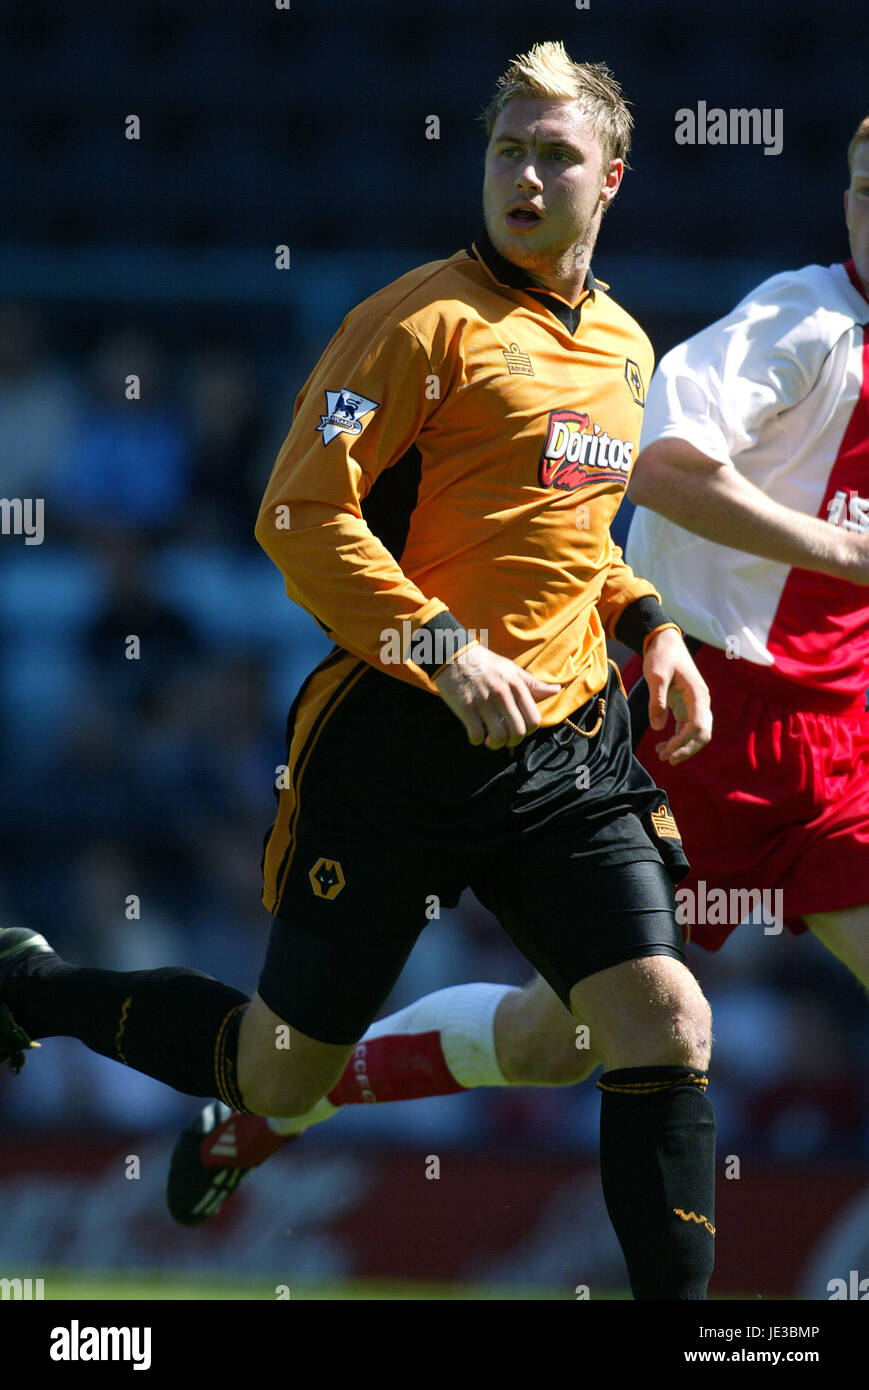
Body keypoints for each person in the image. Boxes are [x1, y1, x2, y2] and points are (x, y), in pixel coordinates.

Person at [0, 42, 715, 1301]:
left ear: (613, 176)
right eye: (507, 149)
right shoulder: (414, 323)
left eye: (557, 154)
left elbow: (575, 540)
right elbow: (296, 516)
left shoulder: (621, 346)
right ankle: (34, 986)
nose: (527, 176)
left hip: (563, 748)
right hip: (394, 742)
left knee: (646, 1024)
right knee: (279, 1066)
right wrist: (439, 647)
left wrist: (650, 621)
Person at [166, 112, 869, 1257]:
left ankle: (285, 1101)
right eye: (858, 187)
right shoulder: (801, 322)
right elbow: (659, 463)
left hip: (831, 744)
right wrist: (784, 576)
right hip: (704, 719)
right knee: (584, 1037)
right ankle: (280, 1095)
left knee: (587, 1035)